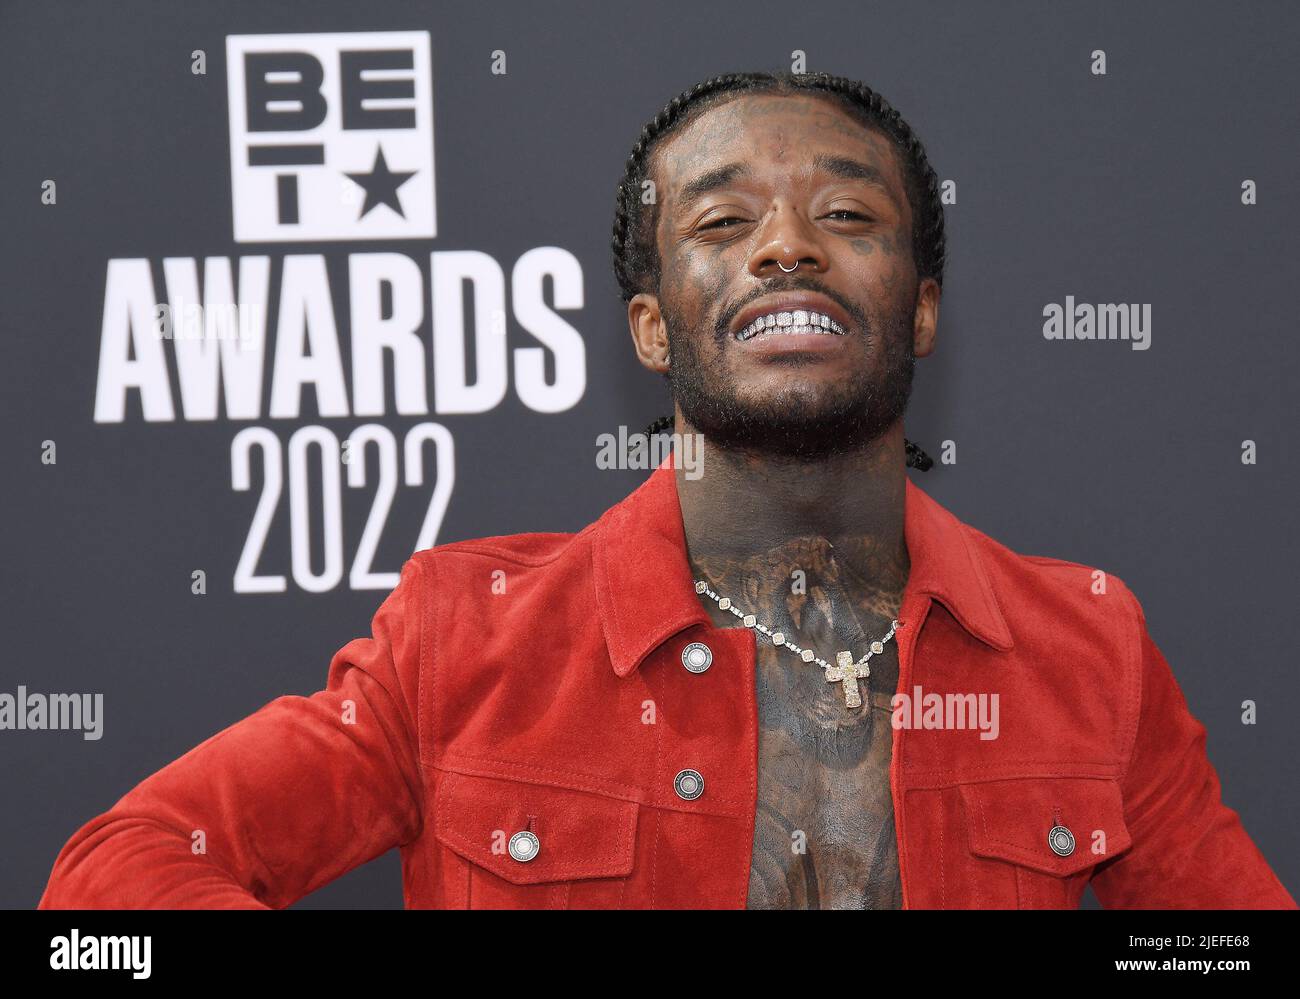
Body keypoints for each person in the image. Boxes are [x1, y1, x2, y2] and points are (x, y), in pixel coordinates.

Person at [39, 71, 1295, 909]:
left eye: (847, 213)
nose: (786, 245)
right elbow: (110, 885)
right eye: (720, 222)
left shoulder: (1086, 646)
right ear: (653, 327)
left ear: (919, 312)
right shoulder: (464, 637)